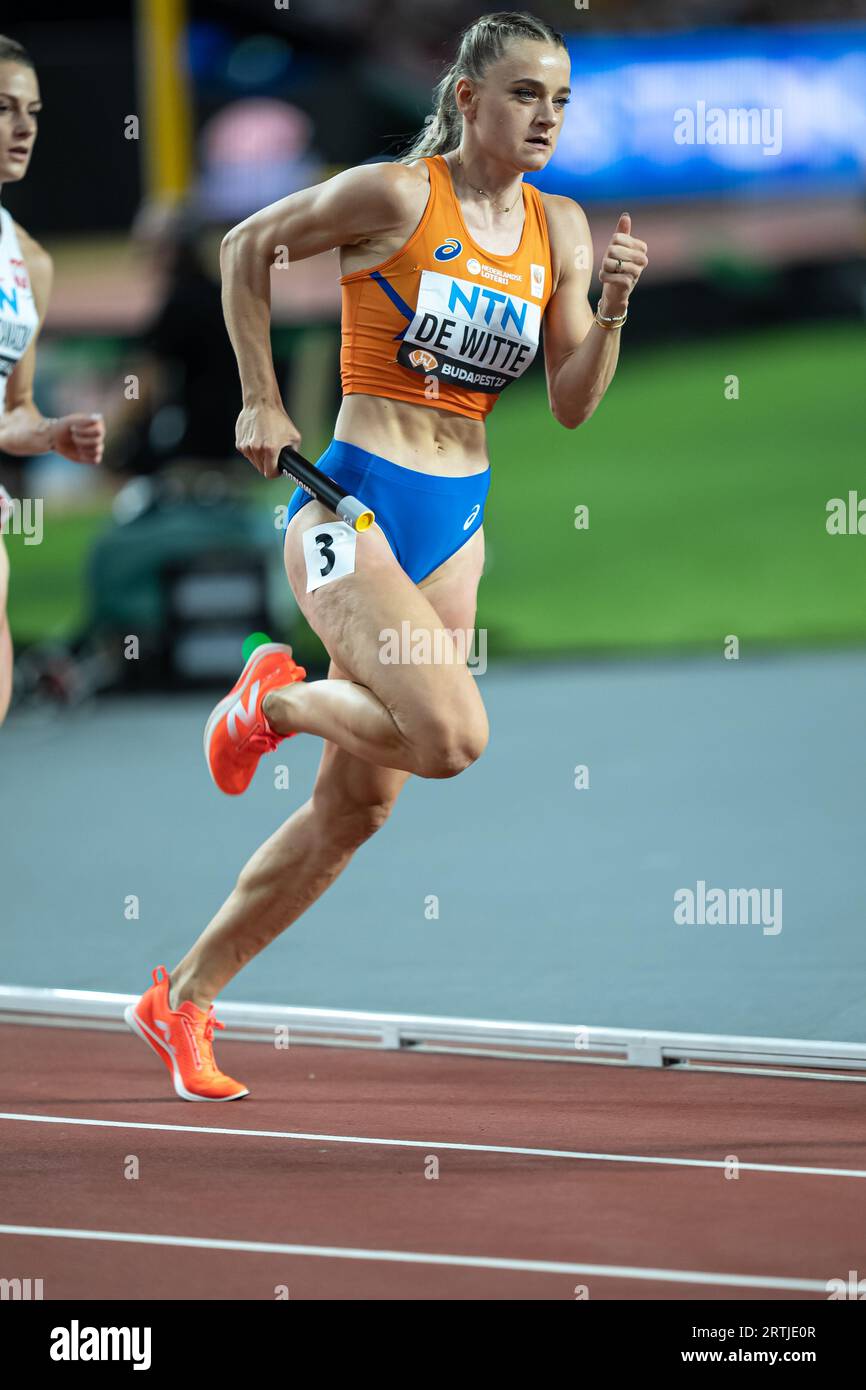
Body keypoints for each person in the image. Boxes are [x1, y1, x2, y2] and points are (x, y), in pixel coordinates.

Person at [125, 11, 648, 1100]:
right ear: (466, 99)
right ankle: (267, 702)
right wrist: (261, 399)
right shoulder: (398, 194)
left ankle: (182, 997)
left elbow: (568, 405)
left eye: (557, 99)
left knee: (355, 810)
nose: (543, 116)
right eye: (521, 95)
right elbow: (240, 248)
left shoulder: (560, 228)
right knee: (451, 737)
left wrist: (612, 313)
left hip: (455, 517)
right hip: (348, 502)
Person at [0, 34, 104, 724]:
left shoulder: (28, 261)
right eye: (3, 107)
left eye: (32, 110)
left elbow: (13, 412)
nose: (24, 126)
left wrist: (50, 431)